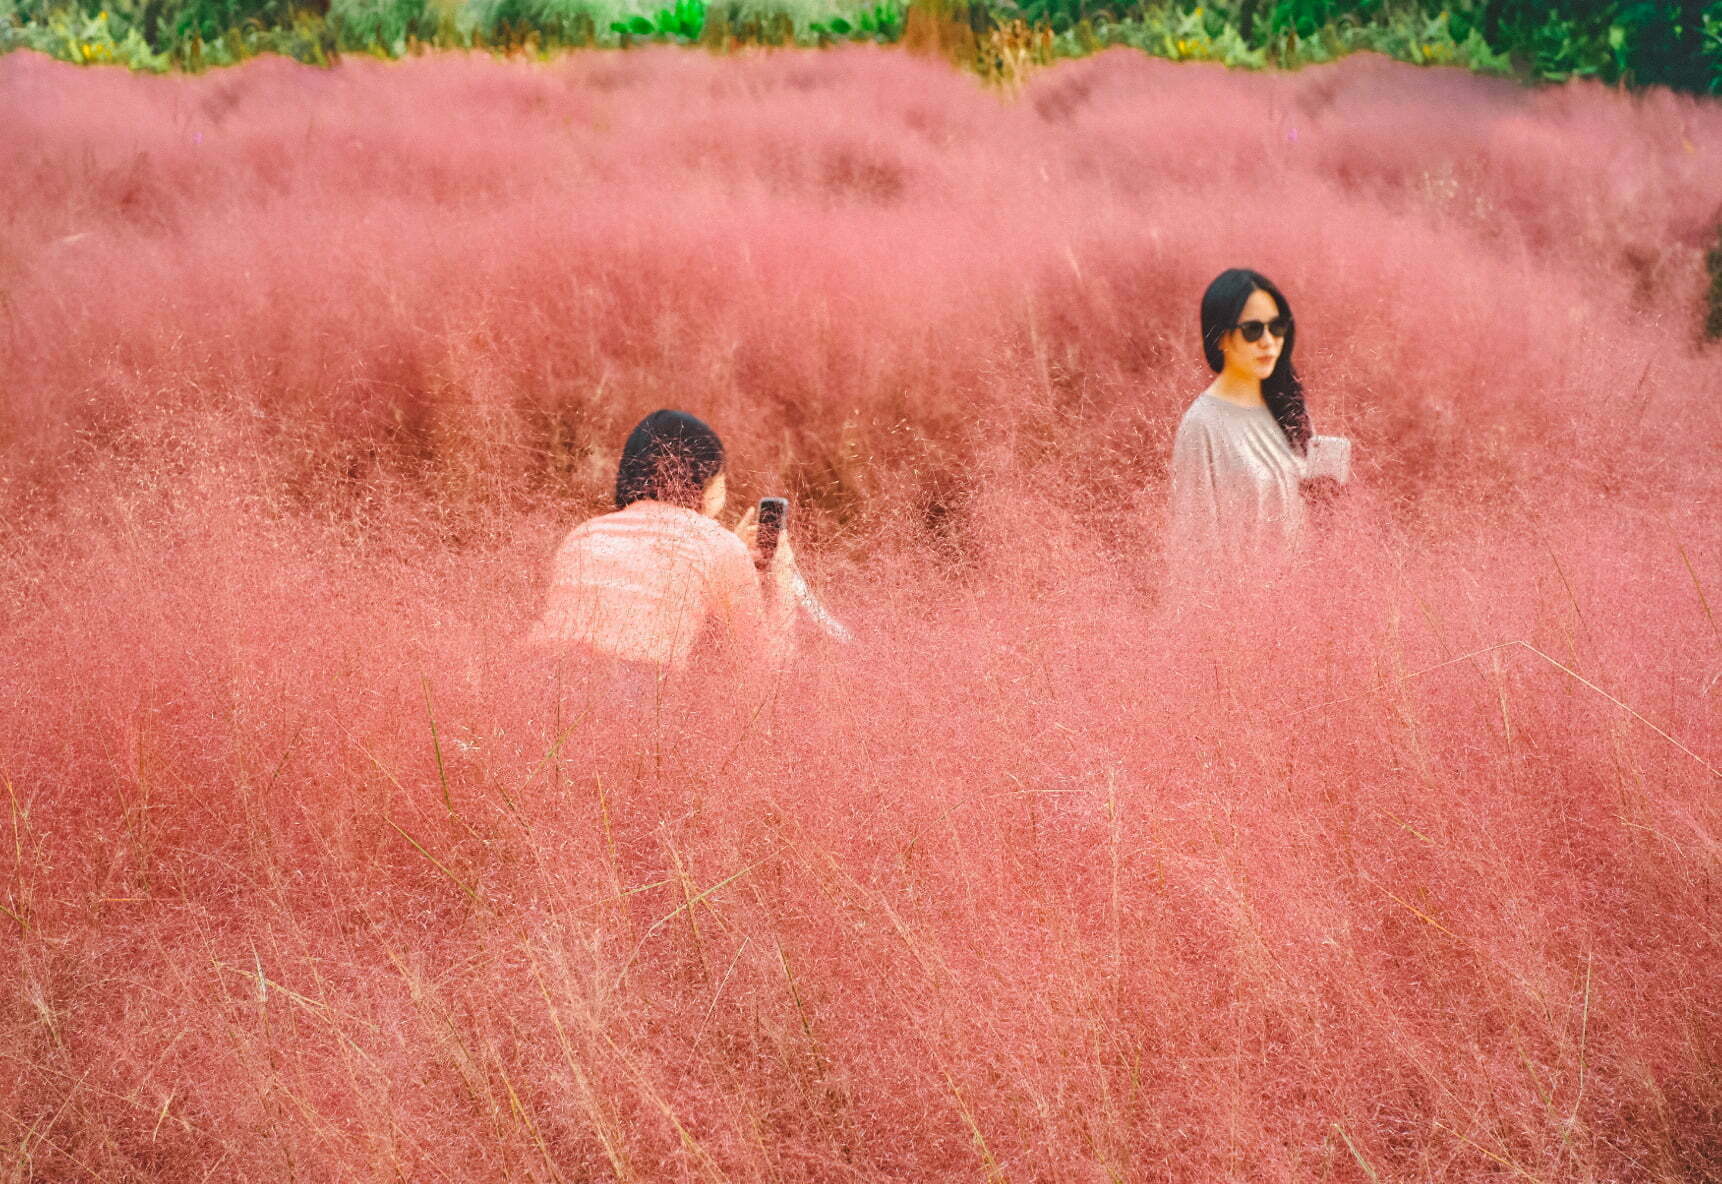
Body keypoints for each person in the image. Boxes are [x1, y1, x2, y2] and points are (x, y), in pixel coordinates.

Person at [528, 409, 804, 693]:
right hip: (633, 698)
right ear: (707, 479)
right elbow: (763, 669)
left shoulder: (585, 534)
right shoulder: (717, 545)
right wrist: (782, 578)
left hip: (540, 687)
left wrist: (729, 555)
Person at [1167, 268, 1345, 569]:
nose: (1268, 341)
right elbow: (1192, 547)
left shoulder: (1288, 405)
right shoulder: (1202, 425)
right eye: (1252, 330)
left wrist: (1327, 503)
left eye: (1277, 327)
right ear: (1221, 337)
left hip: (1303, 600)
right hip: (1241, 605)